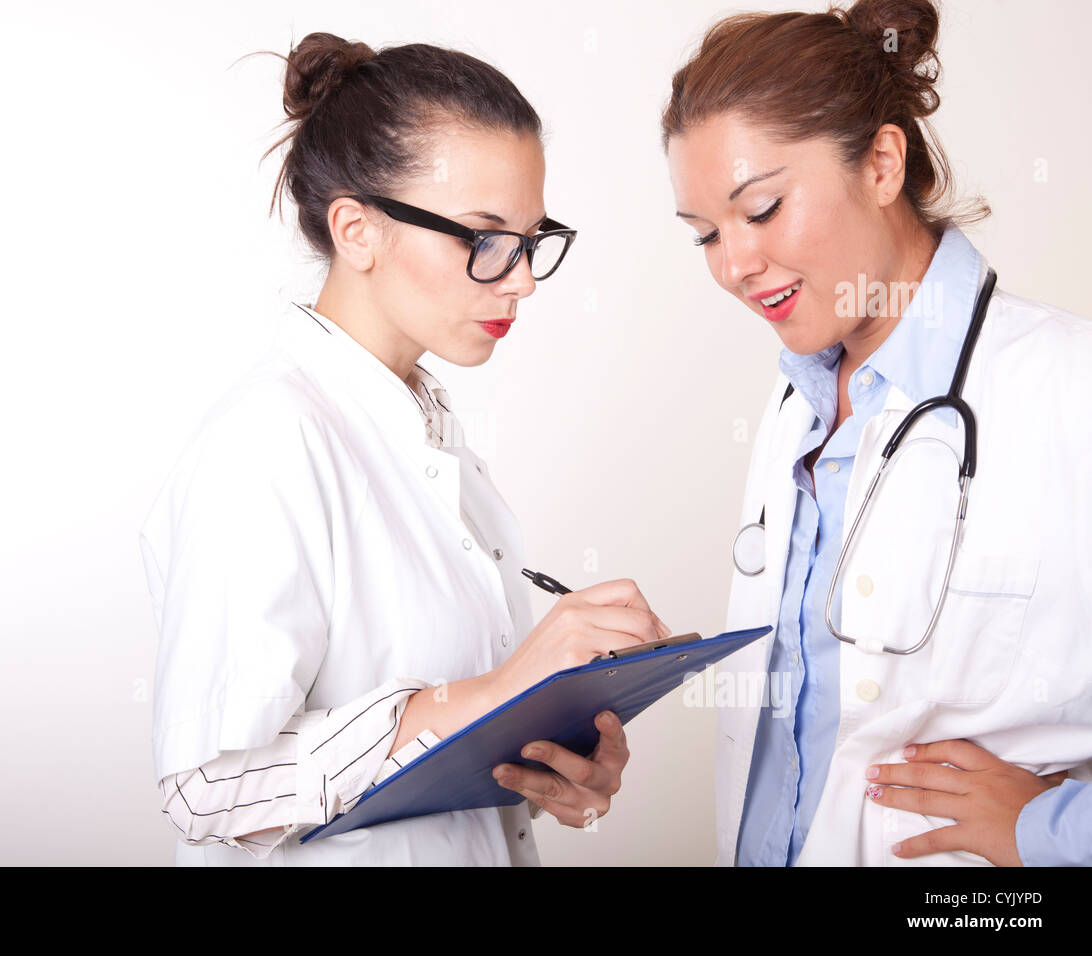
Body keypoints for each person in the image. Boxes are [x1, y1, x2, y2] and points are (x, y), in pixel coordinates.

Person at [138, 32, 669, 866]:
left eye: (533, 239)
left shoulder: (430, 436)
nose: (523, 277)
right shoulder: (267, 443)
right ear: (356, 230)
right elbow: (206, 789)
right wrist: (494, 693)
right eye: (487, 237)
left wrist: (552, 763)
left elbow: (438, 752)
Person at [661, 0, 1092, 865]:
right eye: (706, 233)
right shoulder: (798, 409)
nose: (734, 266)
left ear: (884, 163)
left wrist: (1049, 832)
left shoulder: (1067, 387)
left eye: (764, 207)